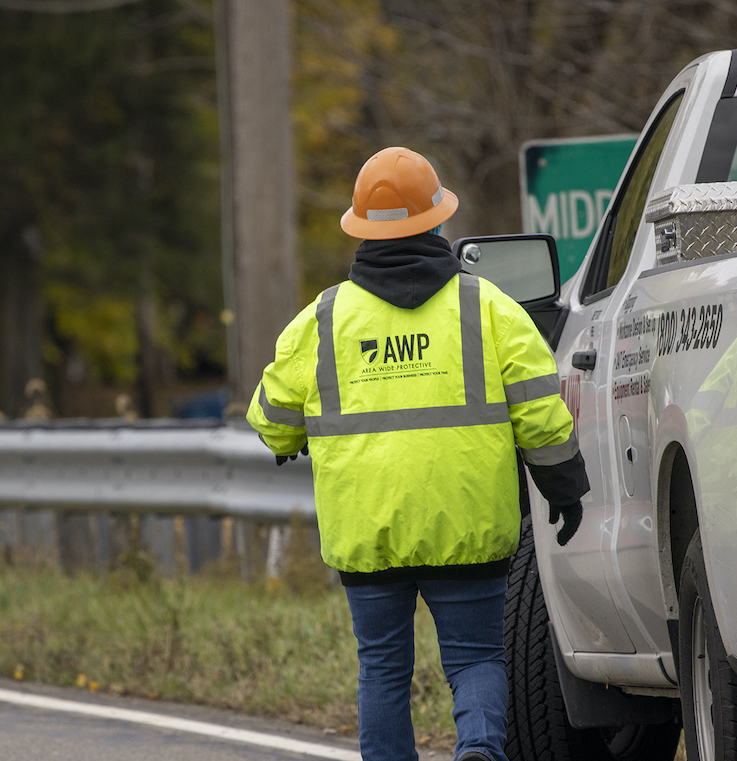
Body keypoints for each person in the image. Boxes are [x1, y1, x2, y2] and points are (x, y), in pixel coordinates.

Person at [246, 146, 589, 761]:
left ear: (359, 228)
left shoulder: (322, 320)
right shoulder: (489, 309)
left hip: (368, 531)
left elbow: (272, 416)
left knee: (381, 669)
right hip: (466, 524)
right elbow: (541, 410)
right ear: (436, 222)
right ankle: (480, 749)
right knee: (476, 658)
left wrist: (288, 440)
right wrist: (564, 486)